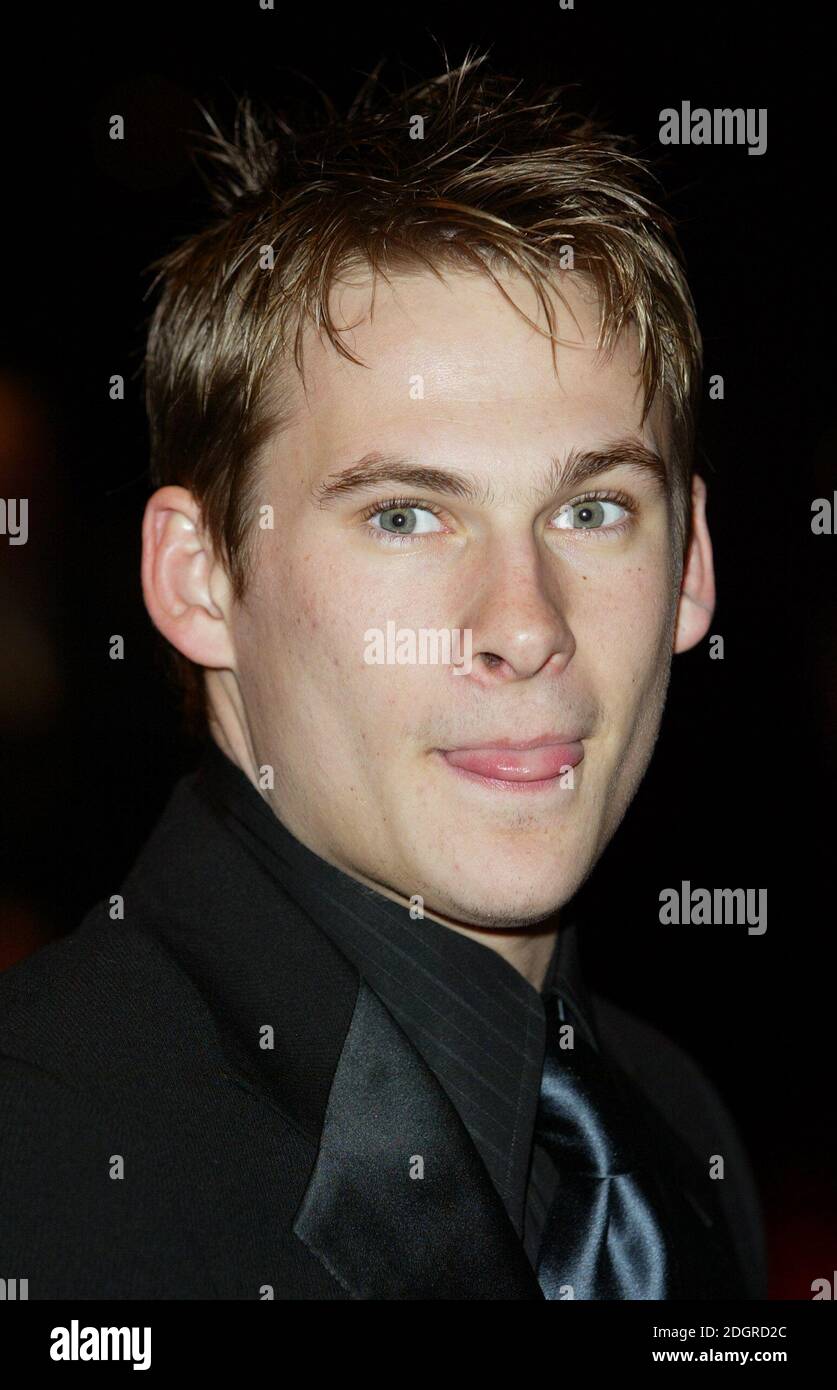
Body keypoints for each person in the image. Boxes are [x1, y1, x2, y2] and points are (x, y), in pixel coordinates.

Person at [0, 52, 767, 1299]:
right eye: (406, 516)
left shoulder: (678, 1129)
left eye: (591, 510)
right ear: (199, 579)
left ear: (691, 568)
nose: (525, 626)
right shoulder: (47, 1176)